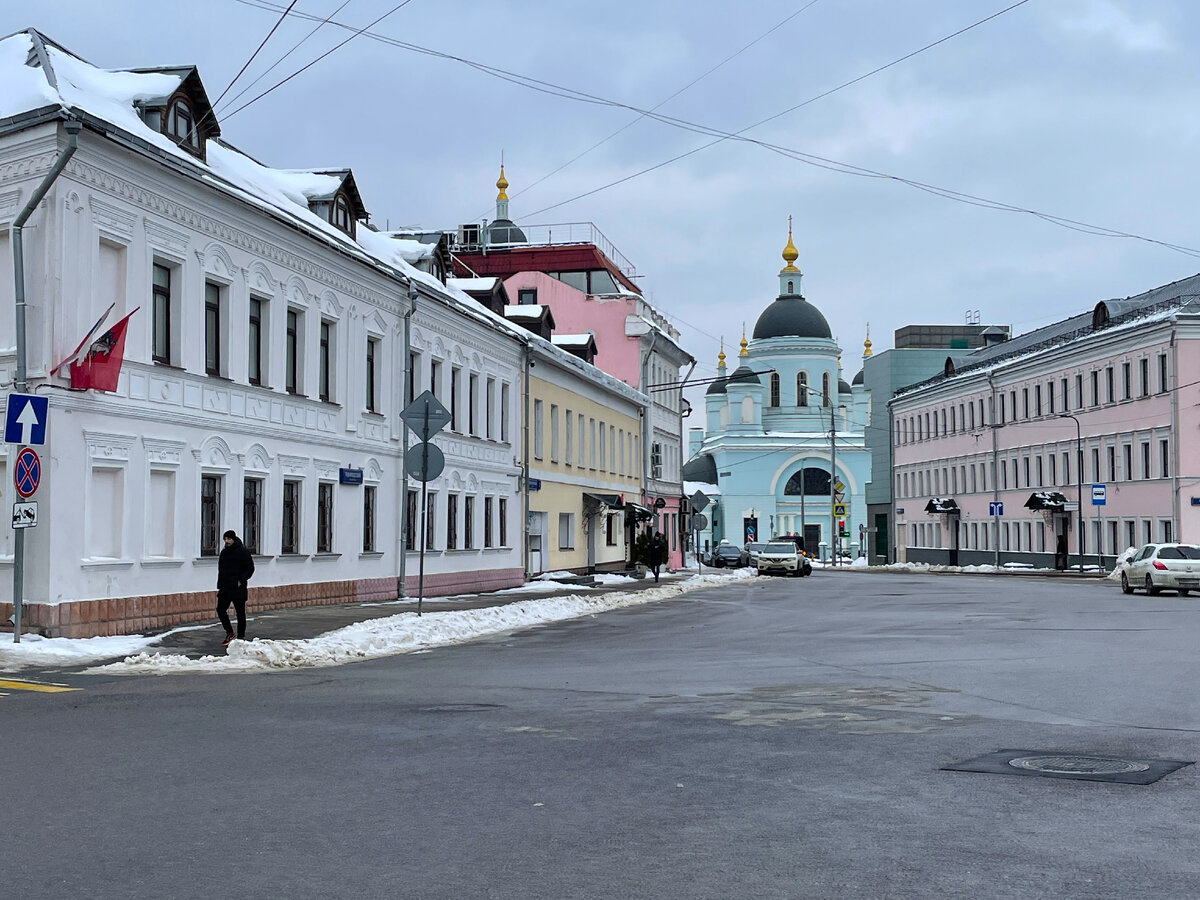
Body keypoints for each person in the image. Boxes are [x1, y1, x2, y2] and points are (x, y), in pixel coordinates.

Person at [217, 529, 255, 645]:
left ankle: (241, 637)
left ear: (233, 539)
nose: (226, 541)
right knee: (220, 610)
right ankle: (230, 632)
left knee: (240, 613)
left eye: (228, 539)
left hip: (238, 587)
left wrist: (241, 580)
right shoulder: (224, 552)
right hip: (225, 587)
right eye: (225, 539)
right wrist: (220, 585)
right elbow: (221, 570)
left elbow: (250, 568)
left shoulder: (242, 551)